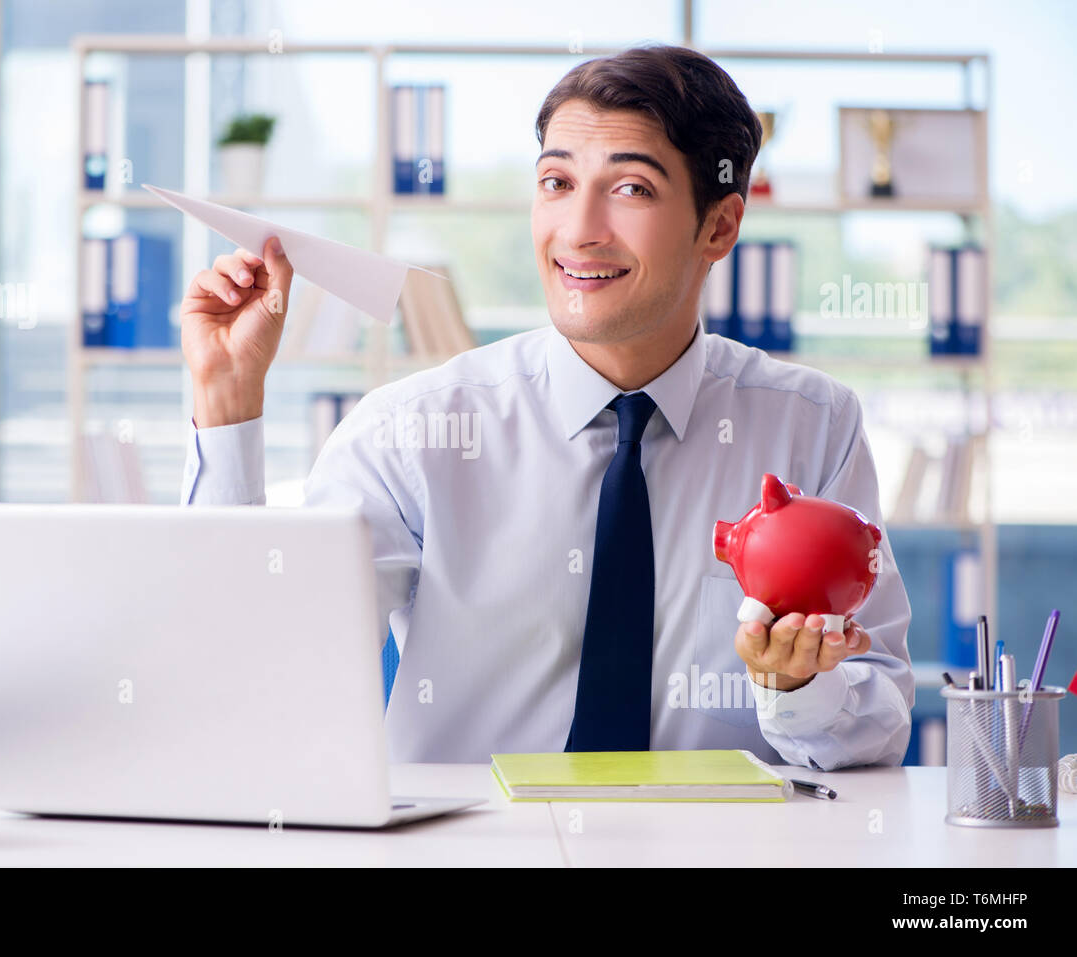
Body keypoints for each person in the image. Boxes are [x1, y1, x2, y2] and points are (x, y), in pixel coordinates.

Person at [178, 45, 914, 769]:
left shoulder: (813, 427)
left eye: (630, 189)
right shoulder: (412, 433)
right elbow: (269, 678)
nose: (579, 229)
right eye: (557, 182)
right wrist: (226, 404)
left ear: (719, 226)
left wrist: (799, 684)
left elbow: (878, 717)